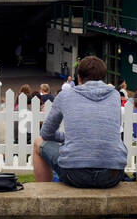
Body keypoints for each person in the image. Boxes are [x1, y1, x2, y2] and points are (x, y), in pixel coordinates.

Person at [33, 55, 127, 188]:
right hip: (113, 174)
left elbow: (46, 134)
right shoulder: (115, 95)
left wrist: (69, 138)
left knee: (38, 142)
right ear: (103, 78)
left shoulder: (65, 95)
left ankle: (44, 193)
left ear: (79, 78)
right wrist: (73, 138)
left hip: (74, 174)